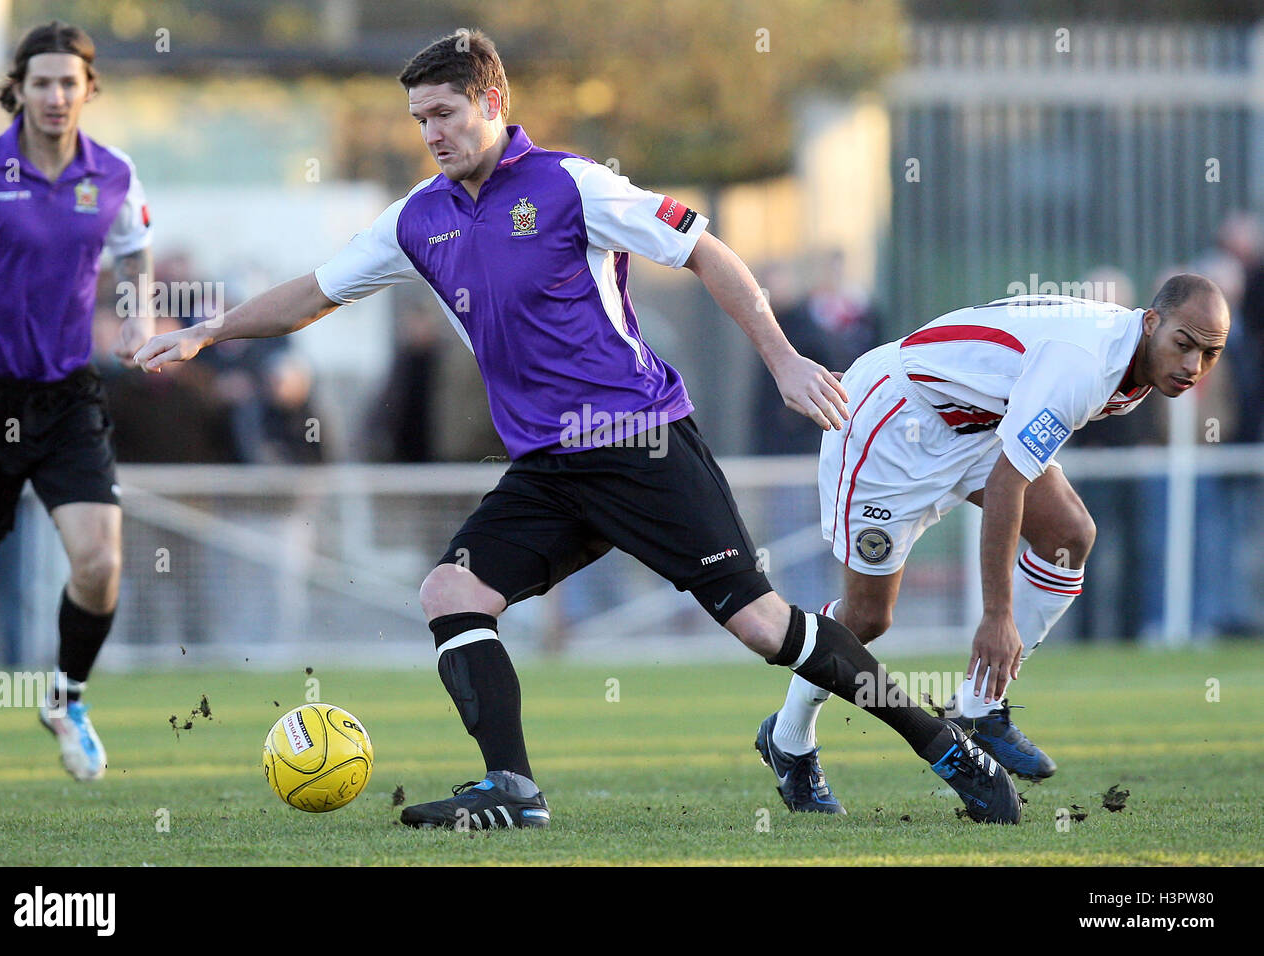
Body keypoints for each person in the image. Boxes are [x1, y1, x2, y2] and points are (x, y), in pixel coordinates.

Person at [135, 29, 1021, 828]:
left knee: (760, 627)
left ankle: (942, 742)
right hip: (548, 468)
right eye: (417, 119)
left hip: (640, 442)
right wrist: (212, 330)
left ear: (491, 102)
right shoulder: (419, 218)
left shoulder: (571, 184)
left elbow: (706, 248)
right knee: (452, 596)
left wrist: (785, 361)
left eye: (443, 113)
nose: (430, 133)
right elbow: (314, 292)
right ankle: (513, 790)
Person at [757, 275, 1229, 811]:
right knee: (868, 618)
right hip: (893, 422)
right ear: (1151, 322)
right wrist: (997, 615)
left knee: (1068, 536)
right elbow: (1010, 482)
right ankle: (789, 741)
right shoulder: (1086, 365)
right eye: (1184, 344)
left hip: (974, 425)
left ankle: (978, 710)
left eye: (1210, 354)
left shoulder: (1134, 363)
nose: (1193, 365)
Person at [0, 21, 153, 788]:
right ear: (20, 88)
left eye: (68, 82)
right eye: (41, 82)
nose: (54, 95)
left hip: (70, 395)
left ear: (87, 88)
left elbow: (133, 251)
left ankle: (65, 698)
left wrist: (138, 312)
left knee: (101, 563)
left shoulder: (112, 173)